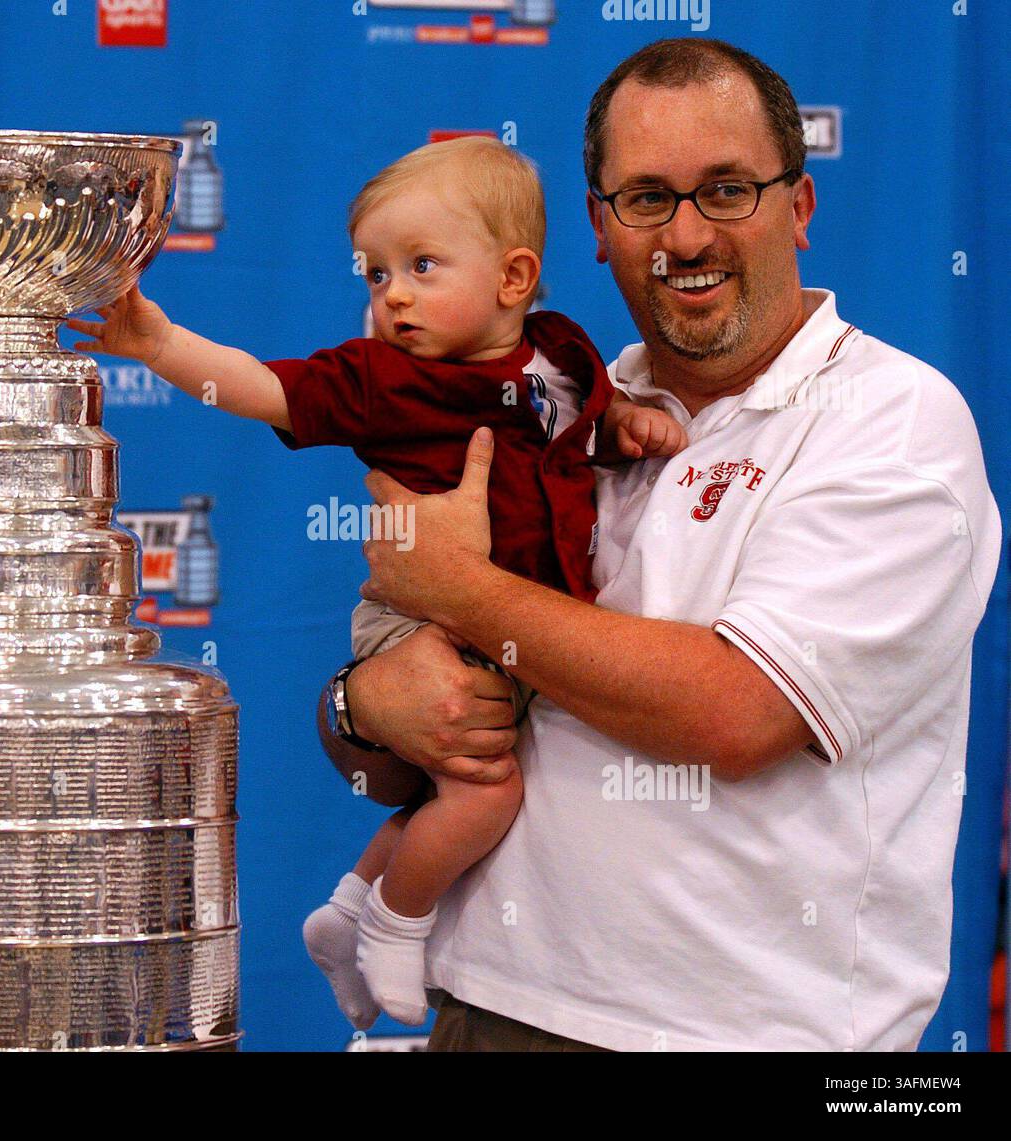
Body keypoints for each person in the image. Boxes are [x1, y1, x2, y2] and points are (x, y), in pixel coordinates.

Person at [321, 38, 1002, 1051]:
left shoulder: (893, 420)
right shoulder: (551, 415)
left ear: (800, 206)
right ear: (599, 228)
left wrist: (459, 591)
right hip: (482, 1008)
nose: (686, 236)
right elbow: (394, 753)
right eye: (646, 198)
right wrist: (366, 705)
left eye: (726, 190)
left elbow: (737, 713)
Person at [64, 136, 685, 1028]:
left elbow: (586, 422)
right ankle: (399, 924)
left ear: (514, 279)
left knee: (454, 787)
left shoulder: (563, 353)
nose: (391, 293)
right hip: (414, 623)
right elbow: (264, 387)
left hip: (520, 627)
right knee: (486, 790)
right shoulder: (381, 378)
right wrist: (159, 344)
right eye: (376, 272)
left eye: (422, 266)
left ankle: (349, 909)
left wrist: (624, 424)